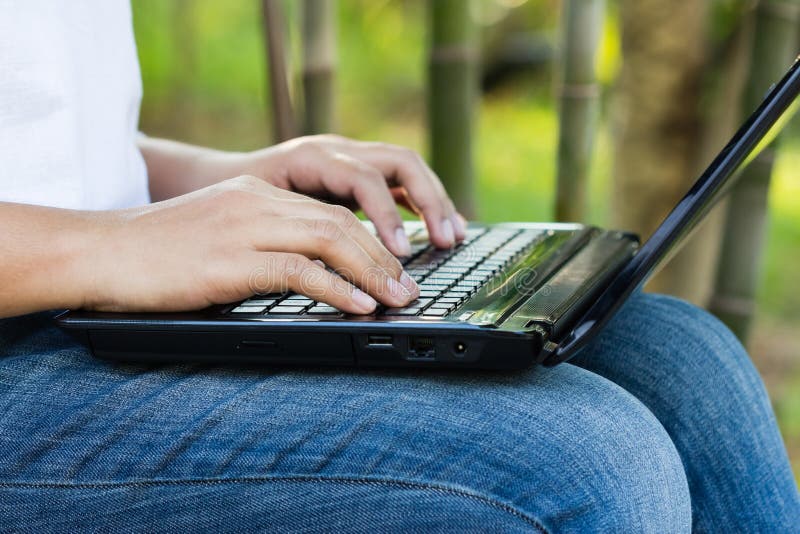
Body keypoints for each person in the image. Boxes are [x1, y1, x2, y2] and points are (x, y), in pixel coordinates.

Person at [0, 1, 797, 531]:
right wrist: (116, 247)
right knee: (585, 461)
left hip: (105, 271)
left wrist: (228, 178)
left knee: (684, 362)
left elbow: (43, 132)